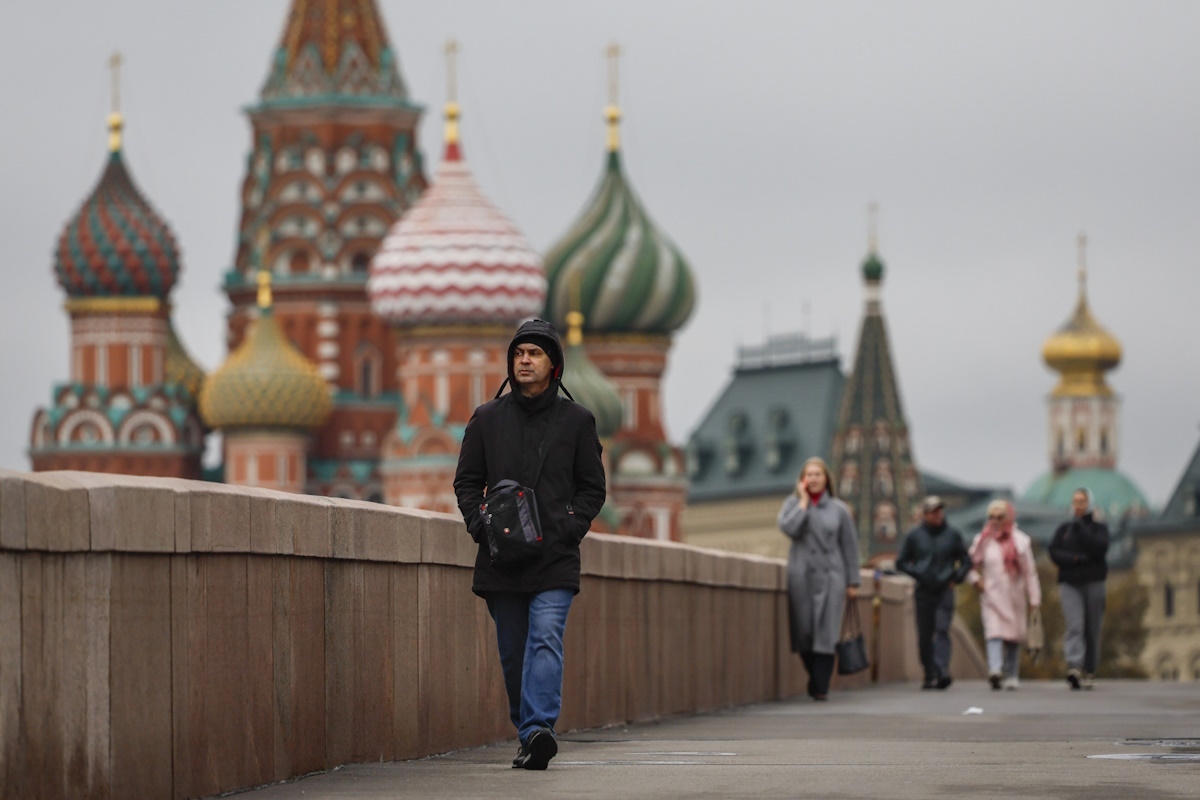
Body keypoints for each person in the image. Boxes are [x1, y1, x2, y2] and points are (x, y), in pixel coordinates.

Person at [453, 318, 606, 770]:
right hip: (502, 558)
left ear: (554, 366)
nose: (524, 360)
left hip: (555, 557)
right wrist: (481, 527)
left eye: (535, 353)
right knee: (513, 652)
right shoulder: (486, 419)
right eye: (519, 353)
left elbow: (592, 488)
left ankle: (539, 727)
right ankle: (530, 734)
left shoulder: (577, 421)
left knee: (545, 639)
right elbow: (466, 482)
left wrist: (568, 526)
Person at [777, 457, 861, 701]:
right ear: (802, 479)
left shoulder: (839, 509)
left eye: (818, 475)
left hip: (831, 576)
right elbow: (788, 529)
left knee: (826, 635)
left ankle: (820, 687)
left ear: (826, 480)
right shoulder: (792, 504)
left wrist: (852, 582)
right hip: (802, 575)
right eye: (809, 474)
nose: (813, 479)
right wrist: (803, 503)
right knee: (803, 633)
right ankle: (816, 680)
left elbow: (850, 547)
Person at [895, 495, 972, 690]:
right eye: (933, 511)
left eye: (940, 511)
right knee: (924, 634)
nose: (938, 515)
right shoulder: (915, 536)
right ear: (925, 514)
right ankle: (929, 672)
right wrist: (918, 573)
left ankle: (942, 669)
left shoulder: (952, 535)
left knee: (942, 629)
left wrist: (956, 577)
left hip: (945, 589)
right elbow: (901, 562)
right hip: (923, 590)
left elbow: (965, 560)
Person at [968, 499, 1041, 690]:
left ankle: (1011, 673)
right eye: (991, 517)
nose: (995, 521)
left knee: (1012, 636)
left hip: (1014, 595)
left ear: (1008, 517)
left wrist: (1034, 598)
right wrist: (976, 580)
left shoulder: (1020, 541)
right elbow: (969, 565)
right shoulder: (983, 541)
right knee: (994, 632)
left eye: (1000, 517)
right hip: (991, 594)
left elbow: (1029, 572)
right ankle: (995, 669)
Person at [1048, 488, 1109, 690]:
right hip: (1070, 583)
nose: (1078, 505)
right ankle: (1074, 666)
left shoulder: (1098, 528)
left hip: (1093, 582)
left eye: (1082, 501)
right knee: (1075, 625)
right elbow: (1054, 551)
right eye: (1075, 501)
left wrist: (1082, 529)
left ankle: (1089, 668)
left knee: (1092, 628)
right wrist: (1075, 559)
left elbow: (1098, 548)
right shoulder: (1065, 529)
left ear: (1089, 504)